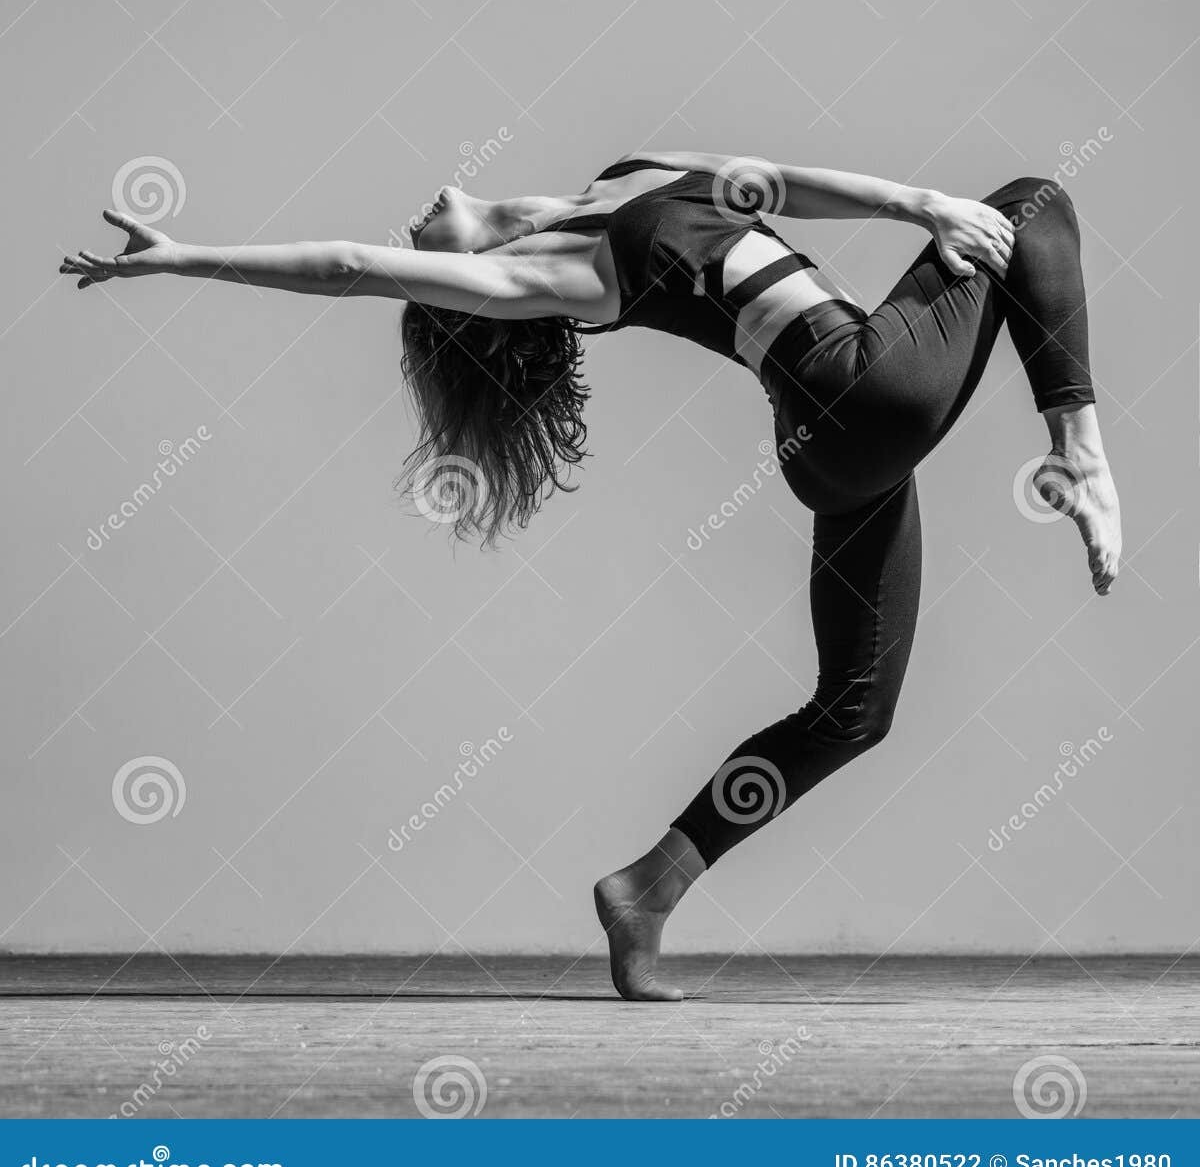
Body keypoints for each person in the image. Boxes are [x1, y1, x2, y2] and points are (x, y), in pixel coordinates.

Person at [61, 150, 1121, 1001]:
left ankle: (647, 888)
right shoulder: (565, 275)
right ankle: (1077, 449)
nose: (409, 226)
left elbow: (776, 182)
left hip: (832, 440)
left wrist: (918, 202)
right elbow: (349, 267)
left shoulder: (628, 172)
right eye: (418, 254)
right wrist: (176, 256)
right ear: (471, 298)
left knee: (856, 707)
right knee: (1034, 201)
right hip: (856, 394)